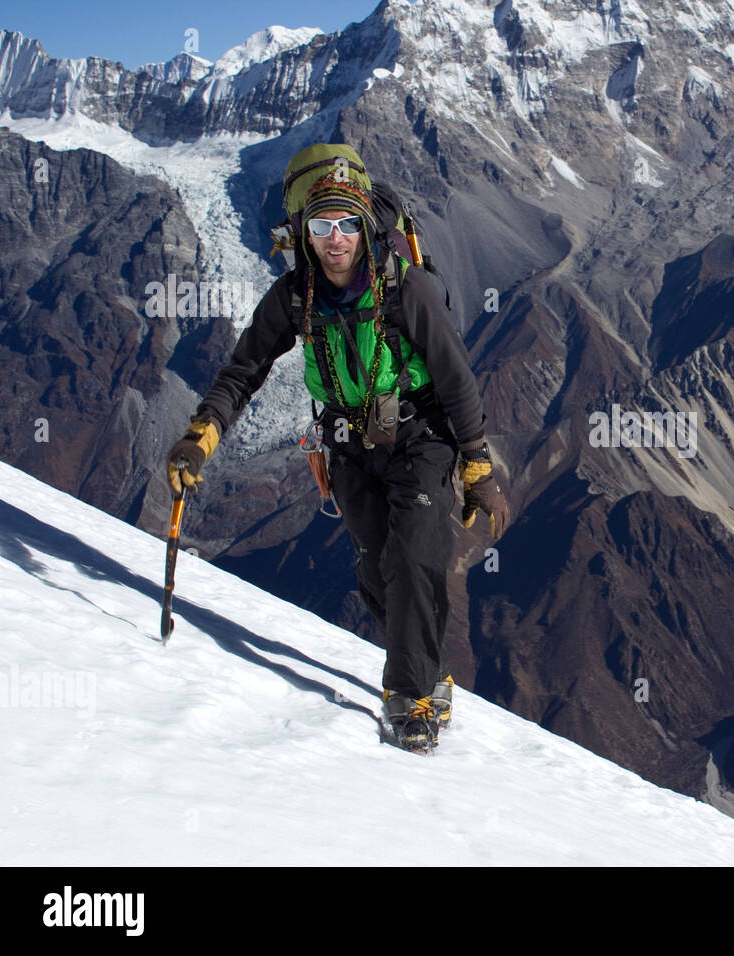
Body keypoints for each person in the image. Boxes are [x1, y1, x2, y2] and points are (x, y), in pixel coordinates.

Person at [165, 147, 508, 750]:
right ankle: (425, 668)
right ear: (303, 235)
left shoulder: (409, 291)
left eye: (347, 224)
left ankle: (411, 700)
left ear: (365, 225)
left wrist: (475, 462)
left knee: (415, 555)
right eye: (321, 226)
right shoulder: (293, 296)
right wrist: (203, 434)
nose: (336, 239)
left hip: (419, 438)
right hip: (347, 445)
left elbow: (454, 377)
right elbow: (244, 369)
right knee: (377, 570)